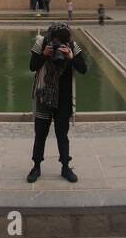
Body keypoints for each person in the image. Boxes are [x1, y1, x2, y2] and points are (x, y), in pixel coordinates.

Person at [27, 23, 88, 184]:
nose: (56, 43)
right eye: (54, 39)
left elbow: (83, 69)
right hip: (43, 96)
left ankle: (66, 167)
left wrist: (71, 57)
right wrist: (43, 55)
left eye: (60, 40)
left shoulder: (72, 46)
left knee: (62, 134)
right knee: (40, 134)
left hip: (64, 98)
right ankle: (36, 166)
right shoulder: (41, 43)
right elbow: (32, 66)